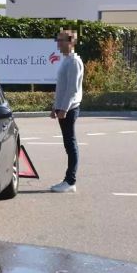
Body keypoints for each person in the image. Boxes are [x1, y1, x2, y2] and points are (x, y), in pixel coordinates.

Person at [50, 29, 83, 193]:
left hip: (69, 109)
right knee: (68, 143)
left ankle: (70, 181)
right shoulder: (66, 60)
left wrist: (64, 108)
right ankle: (69, 180)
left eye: (61, 40)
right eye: (58, 40)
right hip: (63, 108)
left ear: (70, 42)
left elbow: (72, 89)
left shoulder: (74, 62)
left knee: (70, 144)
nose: (58, 43)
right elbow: (61, 88)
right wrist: (55, 107)